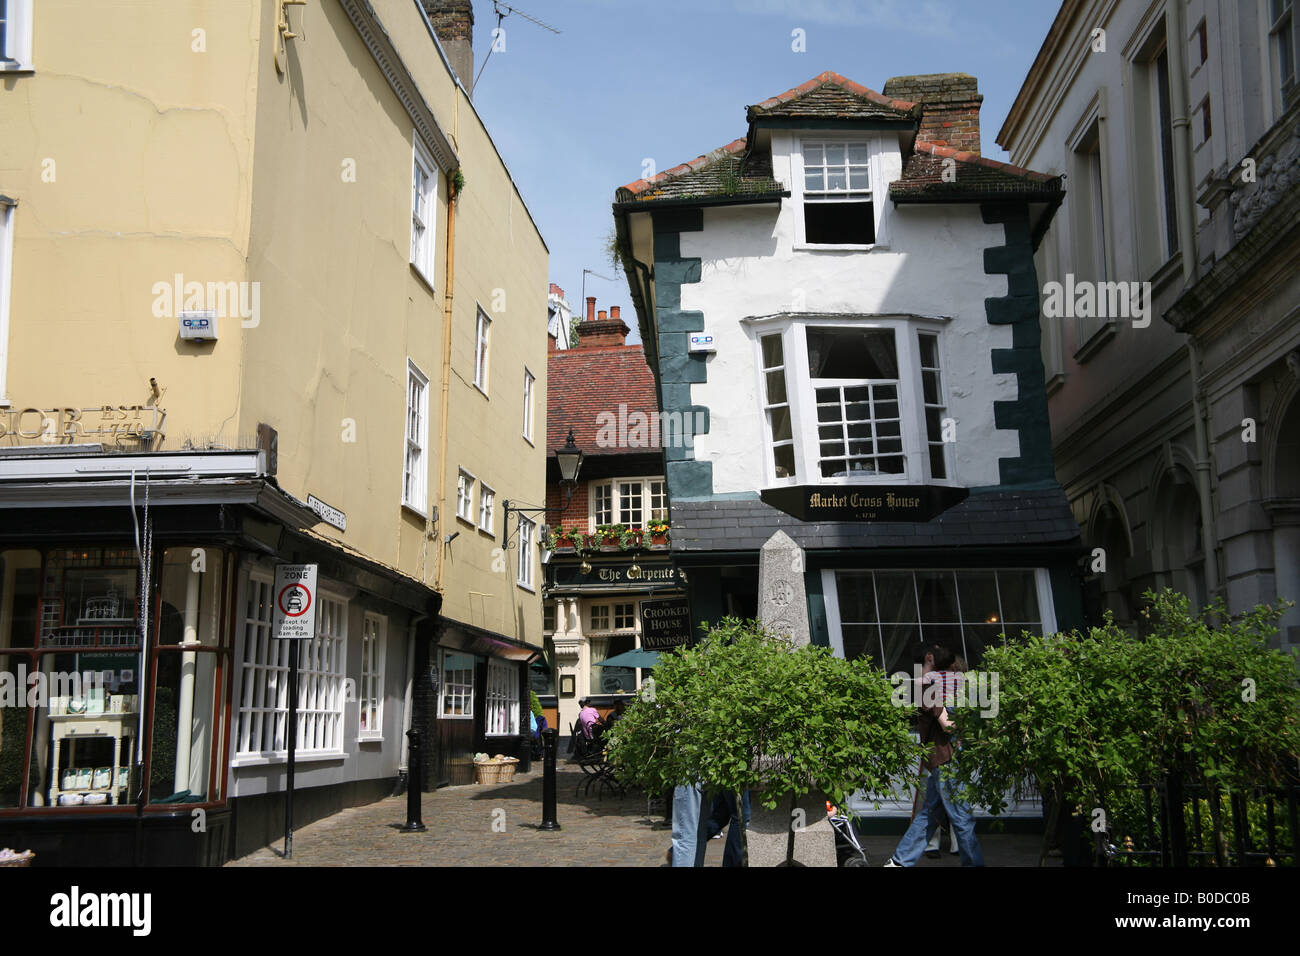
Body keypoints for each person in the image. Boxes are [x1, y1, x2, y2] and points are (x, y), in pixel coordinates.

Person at [885, 643, 984, 867]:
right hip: (946, 759)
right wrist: (975, 727)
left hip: (942, 759)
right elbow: (948, 725)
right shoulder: (927, 687)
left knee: (929, 815)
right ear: (930, 658)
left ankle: (899, 862)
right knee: (962, 818)